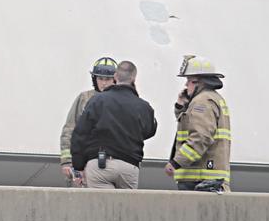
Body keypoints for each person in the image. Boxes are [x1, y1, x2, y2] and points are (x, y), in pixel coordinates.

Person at [70, 60, 157, 189]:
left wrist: (78, 166)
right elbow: (150, 130)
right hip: (129, 166)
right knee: (126, 208)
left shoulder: (97, 101)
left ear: (115, 76)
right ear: (134, 78)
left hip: (100, 165)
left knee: (100, 207)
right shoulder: (142, 106)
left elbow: (80, 134)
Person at [164, 55, 232, 192]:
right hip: (208, 178)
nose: (185, 85)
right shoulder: (213, 99)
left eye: (189, 80)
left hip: (200, 177)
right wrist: (181, 106)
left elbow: (201, 137)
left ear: (198, 82)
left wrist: (176, 162)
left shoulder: (202, 101)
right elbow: (191, 124)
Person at [60, 56, 117, 186]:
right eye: (100, 78)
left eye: (108, 79)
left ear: (115, 79)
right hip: (84, 164)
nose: (103, 83)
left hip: (112, 164)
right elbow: (69, 130)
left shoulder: (121, 101)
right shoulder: (84, 98)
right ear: (94, 79)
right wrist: (67, 161)